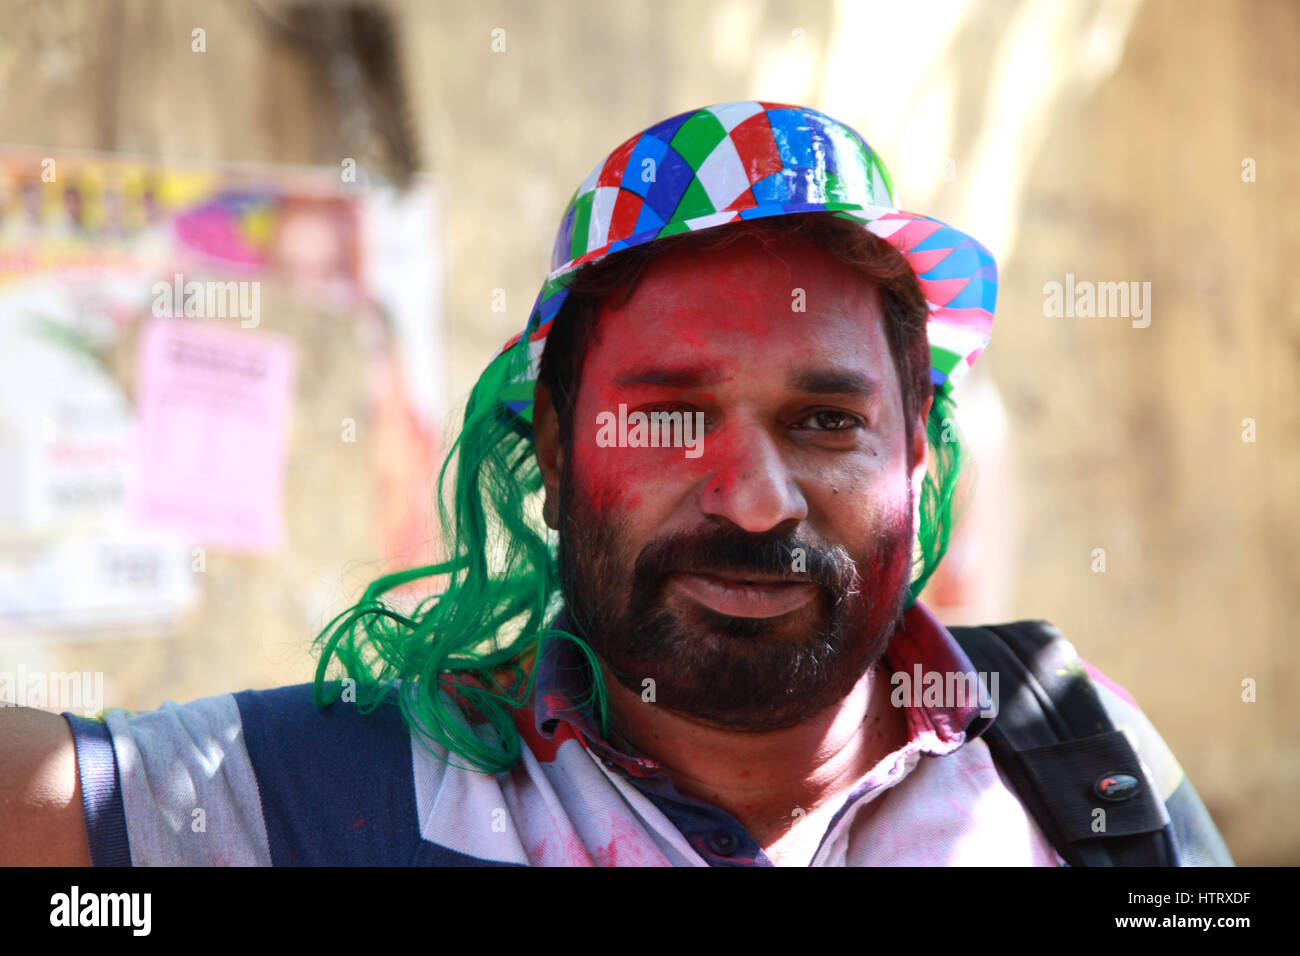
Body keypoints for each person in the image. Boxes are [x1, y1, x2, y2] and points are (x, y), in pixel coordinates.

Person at [1, 102, 1232, 866]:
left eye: (823, 419)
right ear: (549, 448)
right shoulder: (338, 800)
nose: (755, 501)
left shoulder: (1081, 757)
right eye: (669, 413)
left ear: (917, 449)